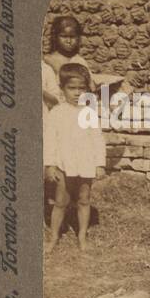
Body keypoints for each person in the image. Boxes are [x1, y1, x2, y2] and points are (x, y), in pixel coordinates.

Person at [44, 63, 105, 252]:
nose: (77, 93)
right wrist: (50, 165)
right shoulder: (56, 113)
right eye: (72, 88)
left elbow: (97, 139)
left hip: (85, 163)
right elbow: (50, 140)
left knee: (84, 199)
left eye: (81, 88)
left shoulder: (89, 113)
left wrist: (99, 164)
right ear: (62, 89)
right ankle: (54, 237)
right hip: (64, 164)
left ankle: (82, 236)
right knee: (61, 201)